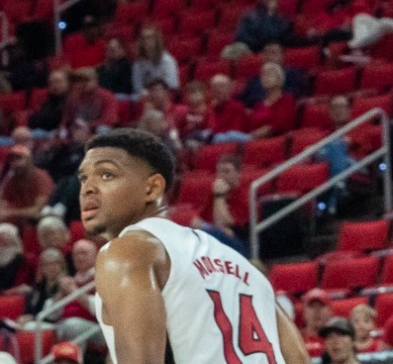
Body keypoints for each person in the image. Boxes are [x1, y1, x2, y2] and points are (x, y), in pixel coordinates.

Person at [82, 128, 311, 364]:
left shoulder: (128, 252)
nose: (88, 187)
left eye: (106, 175)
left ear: (152, 188)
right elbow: (299, 359)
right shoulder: (246, 269)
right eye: (83, 178)